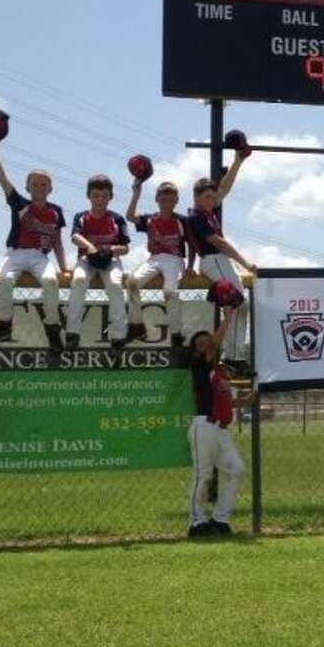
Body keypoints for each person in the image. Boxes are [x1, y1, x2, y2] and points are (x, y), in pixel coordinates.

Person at [0, 136, 68, 349]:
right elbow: (3, 180)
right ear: (27, 187)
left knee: (50, 281)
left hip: (40, 256)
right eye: (34, 184)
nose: (39, 187)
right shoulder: (20, 203)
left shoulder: (56, 212)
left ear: (50, 188)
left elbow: (57, 242)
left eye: (43, 184)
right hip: (16, 253)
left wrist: (64, 267)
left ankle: (52, 327)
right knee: (4, 280)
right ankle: (3, 324)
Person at [186, 308, 254, 537]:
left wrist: (244, 400)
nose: (207, 345)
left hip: (221, 429)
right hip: (203, 426)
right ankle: (196, 522)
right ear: (196, 351)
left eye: (209, 342)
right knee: (202, 474)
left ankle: (220, 519)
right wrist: (228, 317)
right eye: (202, 344)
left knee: (235, 468)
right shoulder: (198, 365)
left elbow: (224, 402)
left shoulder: (218, 371)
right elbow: (214, 346)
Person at [186, 165, 256, 362]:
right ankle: (232, 357)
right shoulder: (196, 217)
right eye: (207, 197)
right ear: (196, 197)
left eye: (212, 197)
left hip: (220, 261)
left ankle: (233, 357)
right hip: (213, 260)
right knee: (238, 304)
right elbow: (219, 243)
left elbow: (223, 189)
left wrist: (238, 161)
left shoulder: (208, 211)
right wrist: (246, 263)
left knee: (241, 305)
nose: (212, 200)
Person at [65, 174, 130, 350]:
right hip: (87, 258)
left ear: (111, 197)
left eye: (104, 196)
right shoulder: (81, 216)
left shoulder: (117, 219)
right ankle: (72, 332)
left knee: (115, 286)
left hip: (110, 260)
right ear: (88, 195)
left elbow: (125, 246)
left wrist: (118, 249)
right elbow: (75, 236)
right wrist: (89, 246)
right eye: (95, 195)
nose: (100, 199)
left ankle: (118, 337)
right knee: (78, 280)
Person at [125, 178, 189, 349]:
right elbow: (130, 216)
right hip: (154, 258)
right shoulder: (150, 220)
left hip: (175, 259)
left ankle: (176, 333)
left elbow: (193, 244)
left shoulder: (182, 221)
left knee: (169, 291)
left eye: (171, 200)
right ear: (157, 199)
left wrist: (190, 267)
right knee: (132, 283)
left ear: (176, 201)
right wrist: (136, 194)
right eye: (163, 199)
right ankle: (137, 325)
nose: (167, 203)